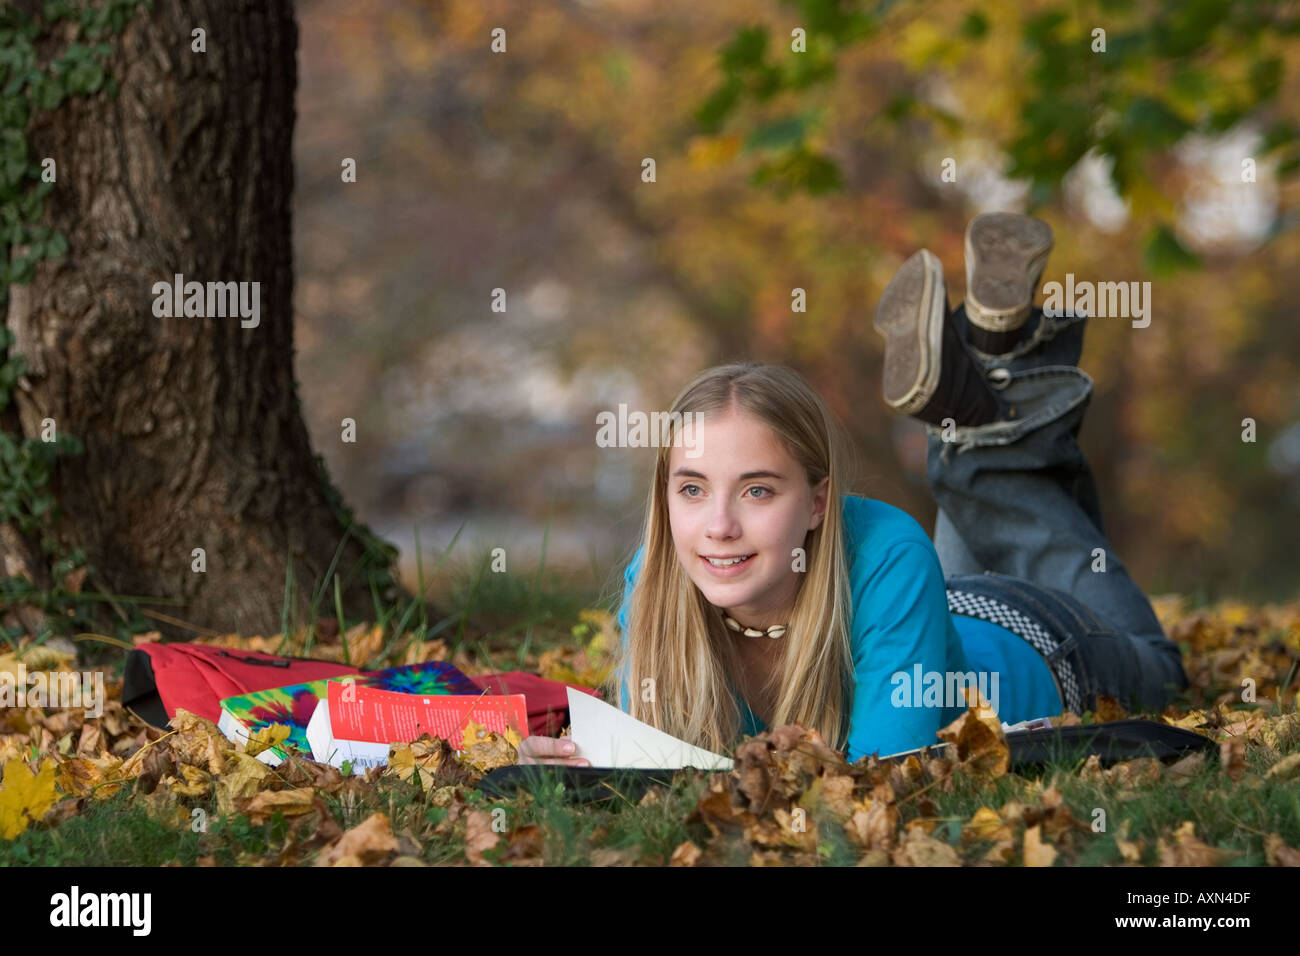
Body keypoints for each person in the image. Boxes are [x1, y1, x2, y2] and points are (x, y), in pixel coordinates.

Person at [517, 212, 1189, 766]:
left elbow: (881, 775)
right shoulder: (658, 575)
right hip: (935, 611)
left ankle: (972, 401)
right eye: (691, 490)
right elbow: (659, 758)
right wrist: (596, 761)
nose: (716, 526)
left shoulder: (887, 550)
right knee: (989, 481)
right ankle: (987, 360)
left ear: (817, 501)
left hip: (1053, 645)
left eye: (756, 491)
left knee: (1163, 665)